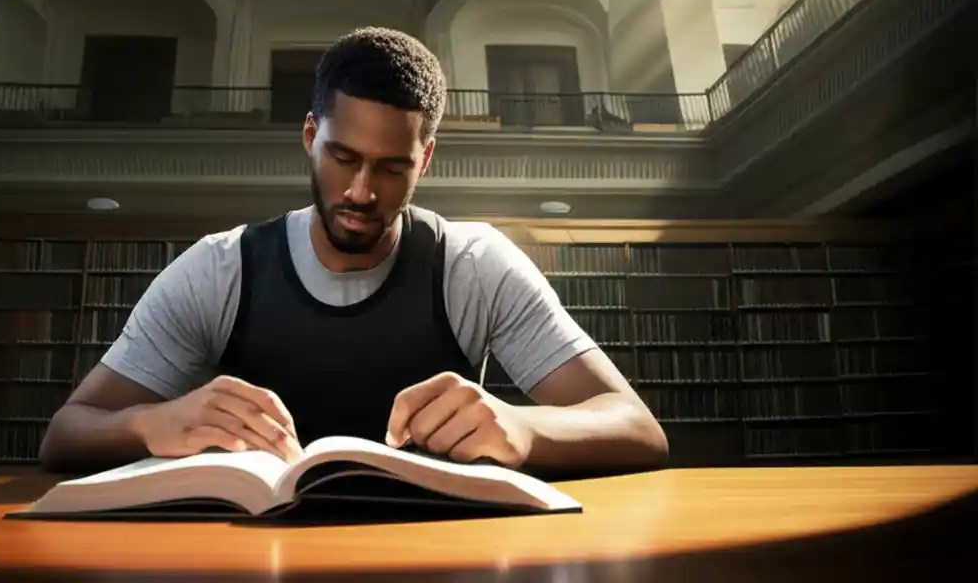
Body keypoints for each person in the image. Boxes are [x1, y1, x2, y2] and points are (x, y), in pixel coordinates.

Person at [39, 27, 668, 474]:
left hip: (435, 556)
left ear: (426, 159)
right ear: (310, 137)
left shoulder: (475, 264)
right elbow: (65, 434)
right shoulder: (218, 268)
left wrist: (528, 429)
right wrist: (153, 423)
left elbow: (637, 429)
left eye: (392, 167)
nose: (362, 191)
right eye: (343, 158)